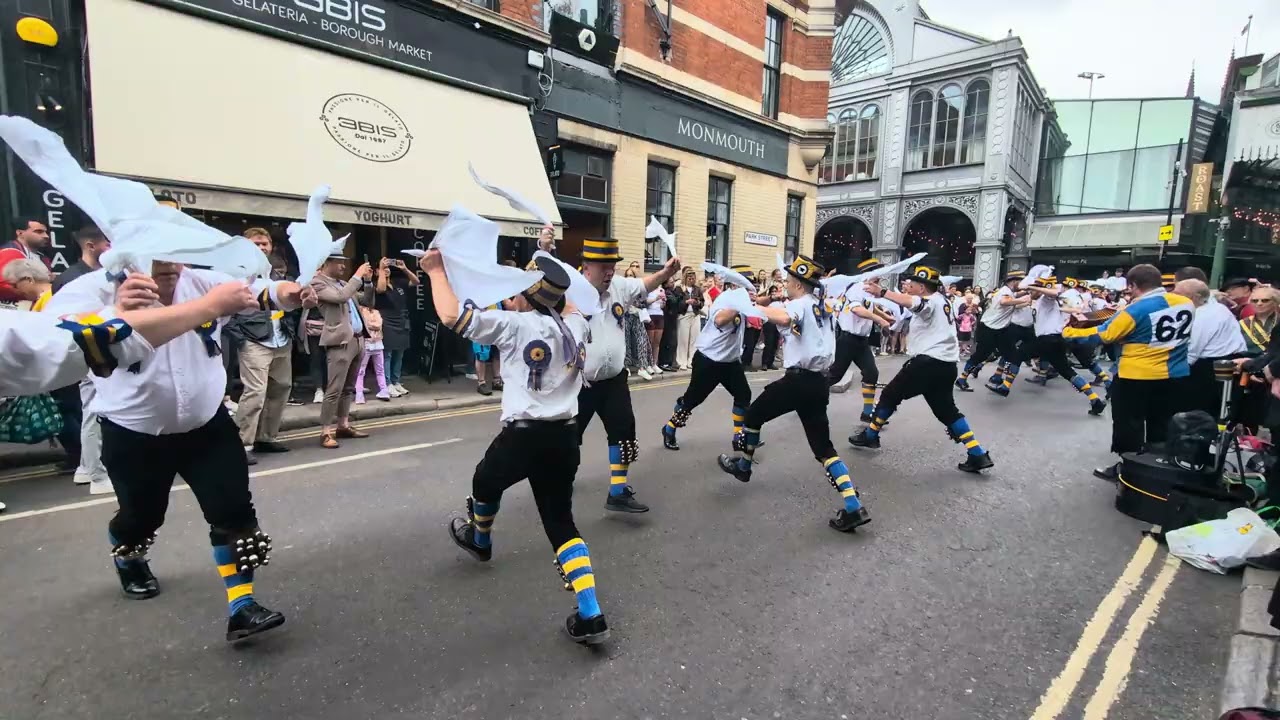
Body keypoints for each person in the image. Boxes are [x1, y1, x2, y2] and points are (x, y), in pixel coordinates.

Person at [45, 262, 314, 642]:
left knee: (235, 513)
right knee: (142, 517)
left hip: (207, 426)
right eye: (156, 255)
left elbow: (263, 292)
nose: (168, 265)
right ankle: (128, 554)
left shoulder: (205, 281)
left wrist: (289, 292)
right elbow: (59, 330)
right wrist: (115, 313)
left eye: (175, 253)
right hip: (133, 432)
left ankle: (242, 605)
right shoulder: (94, 288)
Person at [428, 250, 610, 645]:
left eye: (515, 293)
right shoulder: (576, 324)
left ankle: (481, 539)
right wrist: (544, 261)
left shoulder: (514, 325)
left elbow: (449, 316)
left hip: (524, 437)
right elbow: (568, 299)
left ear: (529, 297)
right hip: (565, 437)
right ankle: (591, 613)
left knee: (484, 483)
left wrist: (436, 270)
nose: (510, 298)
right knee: (561, 522)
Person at [716, 255, 871, 532]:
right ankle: (852, 505)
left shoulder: (798, 304)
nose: (785, 284)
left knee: (752, 416)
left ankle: (744, 467)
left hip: (798, 381)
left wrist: (750, 307)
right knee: (824, 449)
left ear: (798, 284)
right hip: (818, 384)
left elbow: (786, 317)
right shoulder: (821, 306)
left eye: (788, 281)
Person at [850, 266, 995, 473]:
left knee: (890, 395)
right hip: (947, 365)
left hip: (927, 363)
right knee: (947, 411)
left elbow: (912, 303)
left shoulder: (929, 301)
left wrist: (881, 292)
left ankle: (871, 436)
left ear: (922, 287)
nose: (908, 286)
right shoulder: (943, 301)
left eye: (912, 283)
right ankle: (977, 453)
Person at [577, 237, 682, 513]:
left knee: (624, 432)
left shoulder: (619, 286)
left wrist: (665, 273)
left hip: (614, 380)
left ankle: (618, 491)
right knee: (567, 439)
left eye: (613, 266)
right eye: (604, 267)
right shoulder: (570, 290)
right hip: (579, 383)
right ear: (587, 267)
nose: (610, 272)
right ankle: (558, 480)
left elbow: (643, 285)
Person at [1063, 264, 1193, 481]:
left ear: (1133, 285)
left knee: (1128, 423)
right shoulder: (1186, 303)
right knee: (1161, 422)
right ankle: (1157, 468)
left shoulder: (1136, 310)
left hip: (1137, 375)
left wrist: (1070, 331)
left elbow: (1105, 335)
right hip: (1175, 374)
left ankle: (1129, 471)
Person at [661, 268, 753, 453]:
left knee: (744, 395)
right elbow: (719, 320)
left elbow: (762, 305)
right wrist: (742, 306)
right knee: (693, 400)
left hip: (730, 361)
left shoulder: (742, 300)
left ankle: (739, 438)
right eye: (746, 284)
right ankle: (669, 428)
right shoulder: (726, 299)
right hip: (709, 360)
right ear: (734, 285)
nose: (749, 289)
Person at [231, 228, 297, 466]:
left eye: (265, 244)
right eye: (256, 244)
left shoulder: (276, 273)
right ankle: (241, 443)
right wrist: (241, 339)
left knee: (281, 388)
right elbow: (227, 312)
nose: (261, 248)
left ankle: (266, 438)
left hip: (281, 339)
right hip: (254, 340)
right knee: (255, 392)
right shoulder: (235, 274)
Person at [310, 254, 375, 449]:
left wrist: (369, 282)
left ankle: (343, 425)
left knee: (348, 388)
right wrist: (357, 276)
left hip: (357, 339)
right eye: (339, 262)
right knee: (334, 389)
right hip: (339, 342)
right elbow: (340, 297)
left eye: (345, 262)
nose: (343, 266)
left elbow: (368, 302)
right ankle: (325, 432)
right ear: (326, 263)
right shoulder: (317, 283)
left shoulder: (343, 283)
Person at [1020, 276, 1108, 415]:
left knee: (1013, 355)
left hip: (1049, 339)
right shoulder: (1061, 300)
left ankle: (1004, 384)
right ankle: (1094, 398)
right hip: (1058, 339)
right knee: (1068, 372)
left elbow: (1054, 293)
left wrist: (1031, 287)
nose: (1032, 293)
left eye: (1036, 288)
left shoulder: (1048, 299)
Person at [824, 258, 891, 422]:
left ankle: (867, 412)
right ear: (869, 274)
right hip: (847, 340)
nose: (880, 278)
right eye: (878, 274)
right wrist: (880, 321)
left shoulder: (867, 291)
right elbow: (857, 309)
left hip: (861, 341)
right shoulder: (856, 288)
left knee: (871, 373)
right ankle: (807, 399)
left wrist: (886, 316)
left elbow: (869, 306)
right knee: (834, 376)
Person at [1174, 279, 1246, 419]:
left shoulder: (1203, 316)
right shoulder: (1215, 307)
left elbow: (1193, 351)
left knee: (1201, 411)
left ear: (1193, 297)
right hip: (1225, 362)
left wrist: (1177, 373)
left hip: (1210, 367)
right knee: (1218, 407)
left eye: (1178, 294)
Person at [955, 271, 1027, 391]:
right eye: (1020, 282)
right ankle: (962, 379)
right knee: (981, 355)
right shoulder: (1005, 292)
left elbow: (1015, 296)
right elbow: (1004, 301)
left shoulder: (1008, 291)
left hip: (1000, 330)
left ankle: (1004, 386)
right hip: (989, 329)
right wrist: (1024, 300)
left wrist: (1030, 291)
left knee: (1013, 356)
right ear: (1014, 281)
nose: (1021, 285)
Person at [374, 256, 418, 398]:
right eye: (383, 268)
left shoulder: (398, 283)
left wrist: (404, 268)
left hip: (401, 320)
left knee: (400, 352)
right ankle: (387, 384)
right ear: (377, 272)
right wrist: (381, 269)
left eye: (387, 268)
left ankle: (396, 381)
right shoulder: (377, 284)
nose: (386, 270)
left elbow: (416, 281)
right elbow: (381, 289)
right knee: (387, 354)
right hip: (387, 321)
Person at [354, 304, 390, 403]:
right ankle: (384, 390)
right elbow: (379, 324)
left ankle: (359, 395)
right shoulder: (376, 312)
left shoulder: (360, 312)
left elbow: (362, 325)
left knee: (361, 371)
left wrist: (368, 325)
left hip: (366, 343)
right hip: (378, 343)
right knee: (380, 370)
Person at [673, 268, 702, 370]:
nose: (691, 279)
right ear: (685, 278)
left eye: (693, 278)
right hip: (684, 315)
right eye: (689, 277)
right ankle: (682, 362)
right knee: (683, 340)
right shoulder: (679, 289)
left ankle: (691, 361)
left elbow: (701, 302)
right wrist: (686, 302)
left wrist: (697, 303)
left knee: (694, 340)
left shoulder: (697, 289)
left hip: (695, 315)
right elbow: (676, 304)